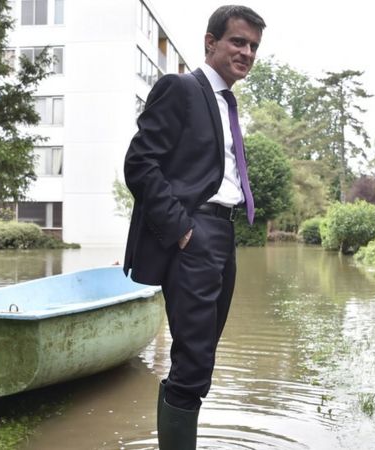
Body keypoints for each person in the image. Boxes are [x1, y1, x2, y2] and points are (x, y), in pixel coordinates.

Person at [122, 5, 265, 449]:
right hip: (194, 235)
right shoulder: (181, 89)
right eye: (238, 41)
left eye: (253, 47)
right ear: (211, 42)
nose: (246, 52)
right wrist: (182, 230)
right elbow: (139, 163)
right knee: (193, 361)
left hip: (224, 235)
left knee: (199, 358)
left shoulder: (228, 103)